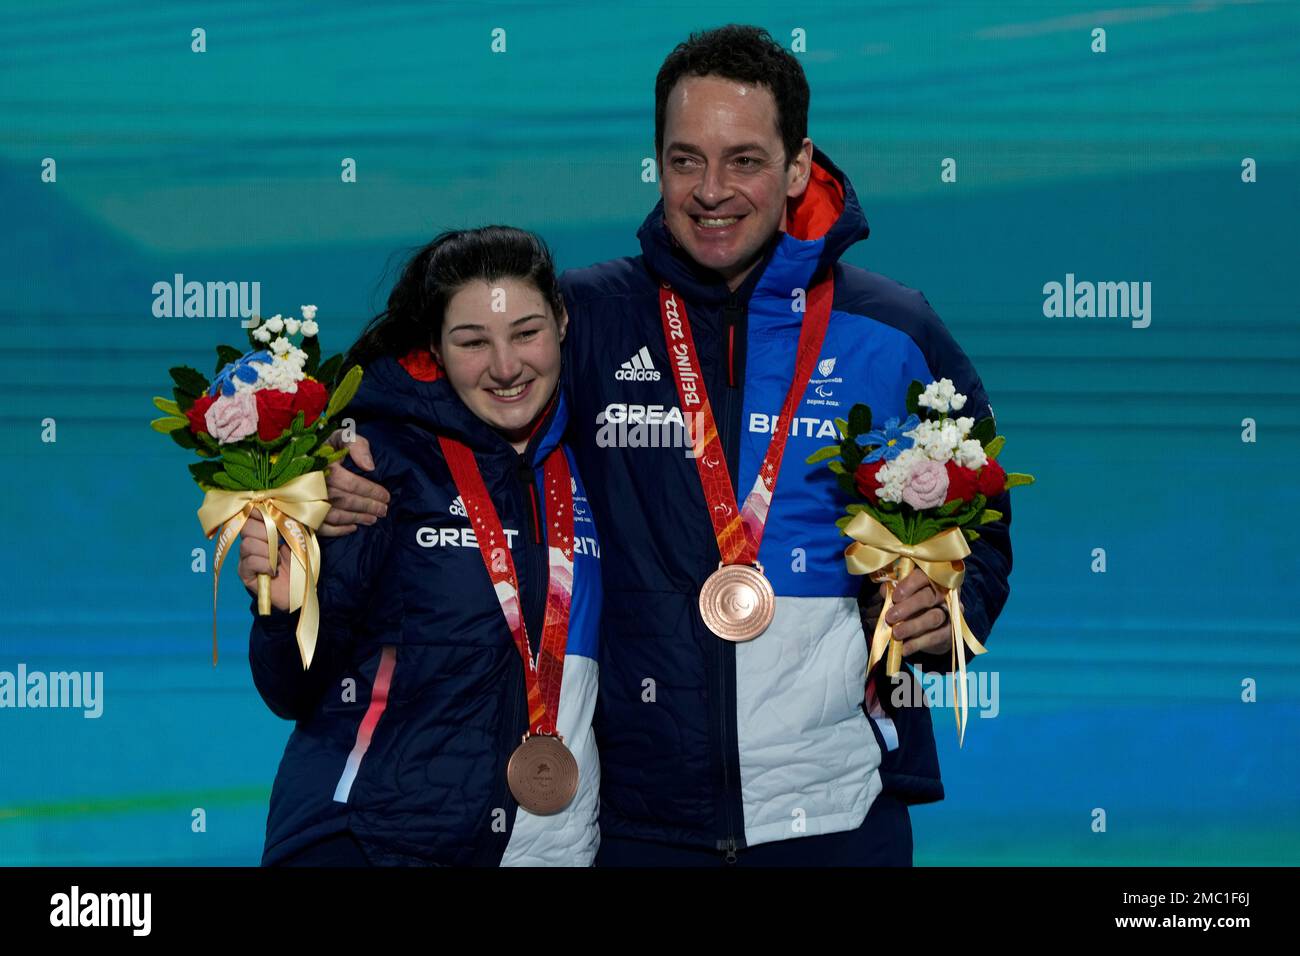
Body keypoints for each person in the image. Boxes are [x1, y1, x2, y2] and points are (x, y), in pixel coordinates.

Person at [322, 25, 1013, 866]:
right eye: (686, 160)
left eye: (745, 161)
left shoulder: (890, 329)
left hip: (838, 813)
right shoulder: (592, 317)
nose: (711, 191)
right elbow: (434, 386)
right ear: (656, 164)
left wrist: (952, 610)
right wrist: (326, 466)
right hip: (641, 825)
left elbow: (981, 523)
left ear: (799, 166)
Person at [237, 226, 602, 866]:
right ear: (433, 345)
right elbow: (289, 689)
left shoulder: (599, 460)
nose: (507, 366)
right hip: (372, 841)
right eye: (472, 342)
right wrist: (286, 607)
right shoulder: (374, 464)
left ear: (563, 322)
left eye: (526, 332)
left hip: (553, 847)